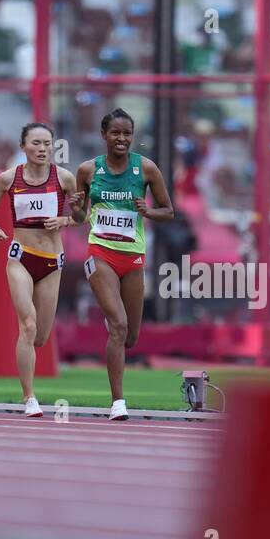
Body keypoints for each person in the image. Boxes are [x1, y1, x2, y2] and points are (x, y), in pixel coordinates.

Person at [73, 108, 173, 420]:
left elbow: (168, 210)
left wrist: (148, 211)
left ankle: (116, 324)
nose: (122, 139)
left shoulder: (146, 169)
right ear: (104, 135)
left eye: (127, 133)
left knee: (130, 337)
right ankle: (118, 402)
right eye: (115, 133)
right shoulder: (88, 170)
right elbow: (80, 216)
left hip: (133, 258)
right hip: (100, 253)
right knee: (118, 326)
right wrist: (76, 209)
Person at [0, 122, 78, 417]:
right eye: (36, 143)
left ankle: (29, 383)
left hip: (52, 262)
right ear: (23, 146)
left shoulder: (65, 178)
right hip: (20, 258)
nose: (42, 148)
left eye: (47, 143)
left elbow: (85, 214)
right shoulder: (9, 178)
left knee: (41, 337)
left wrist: (65, 220)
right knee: (28, 325)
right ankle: (29, 397)